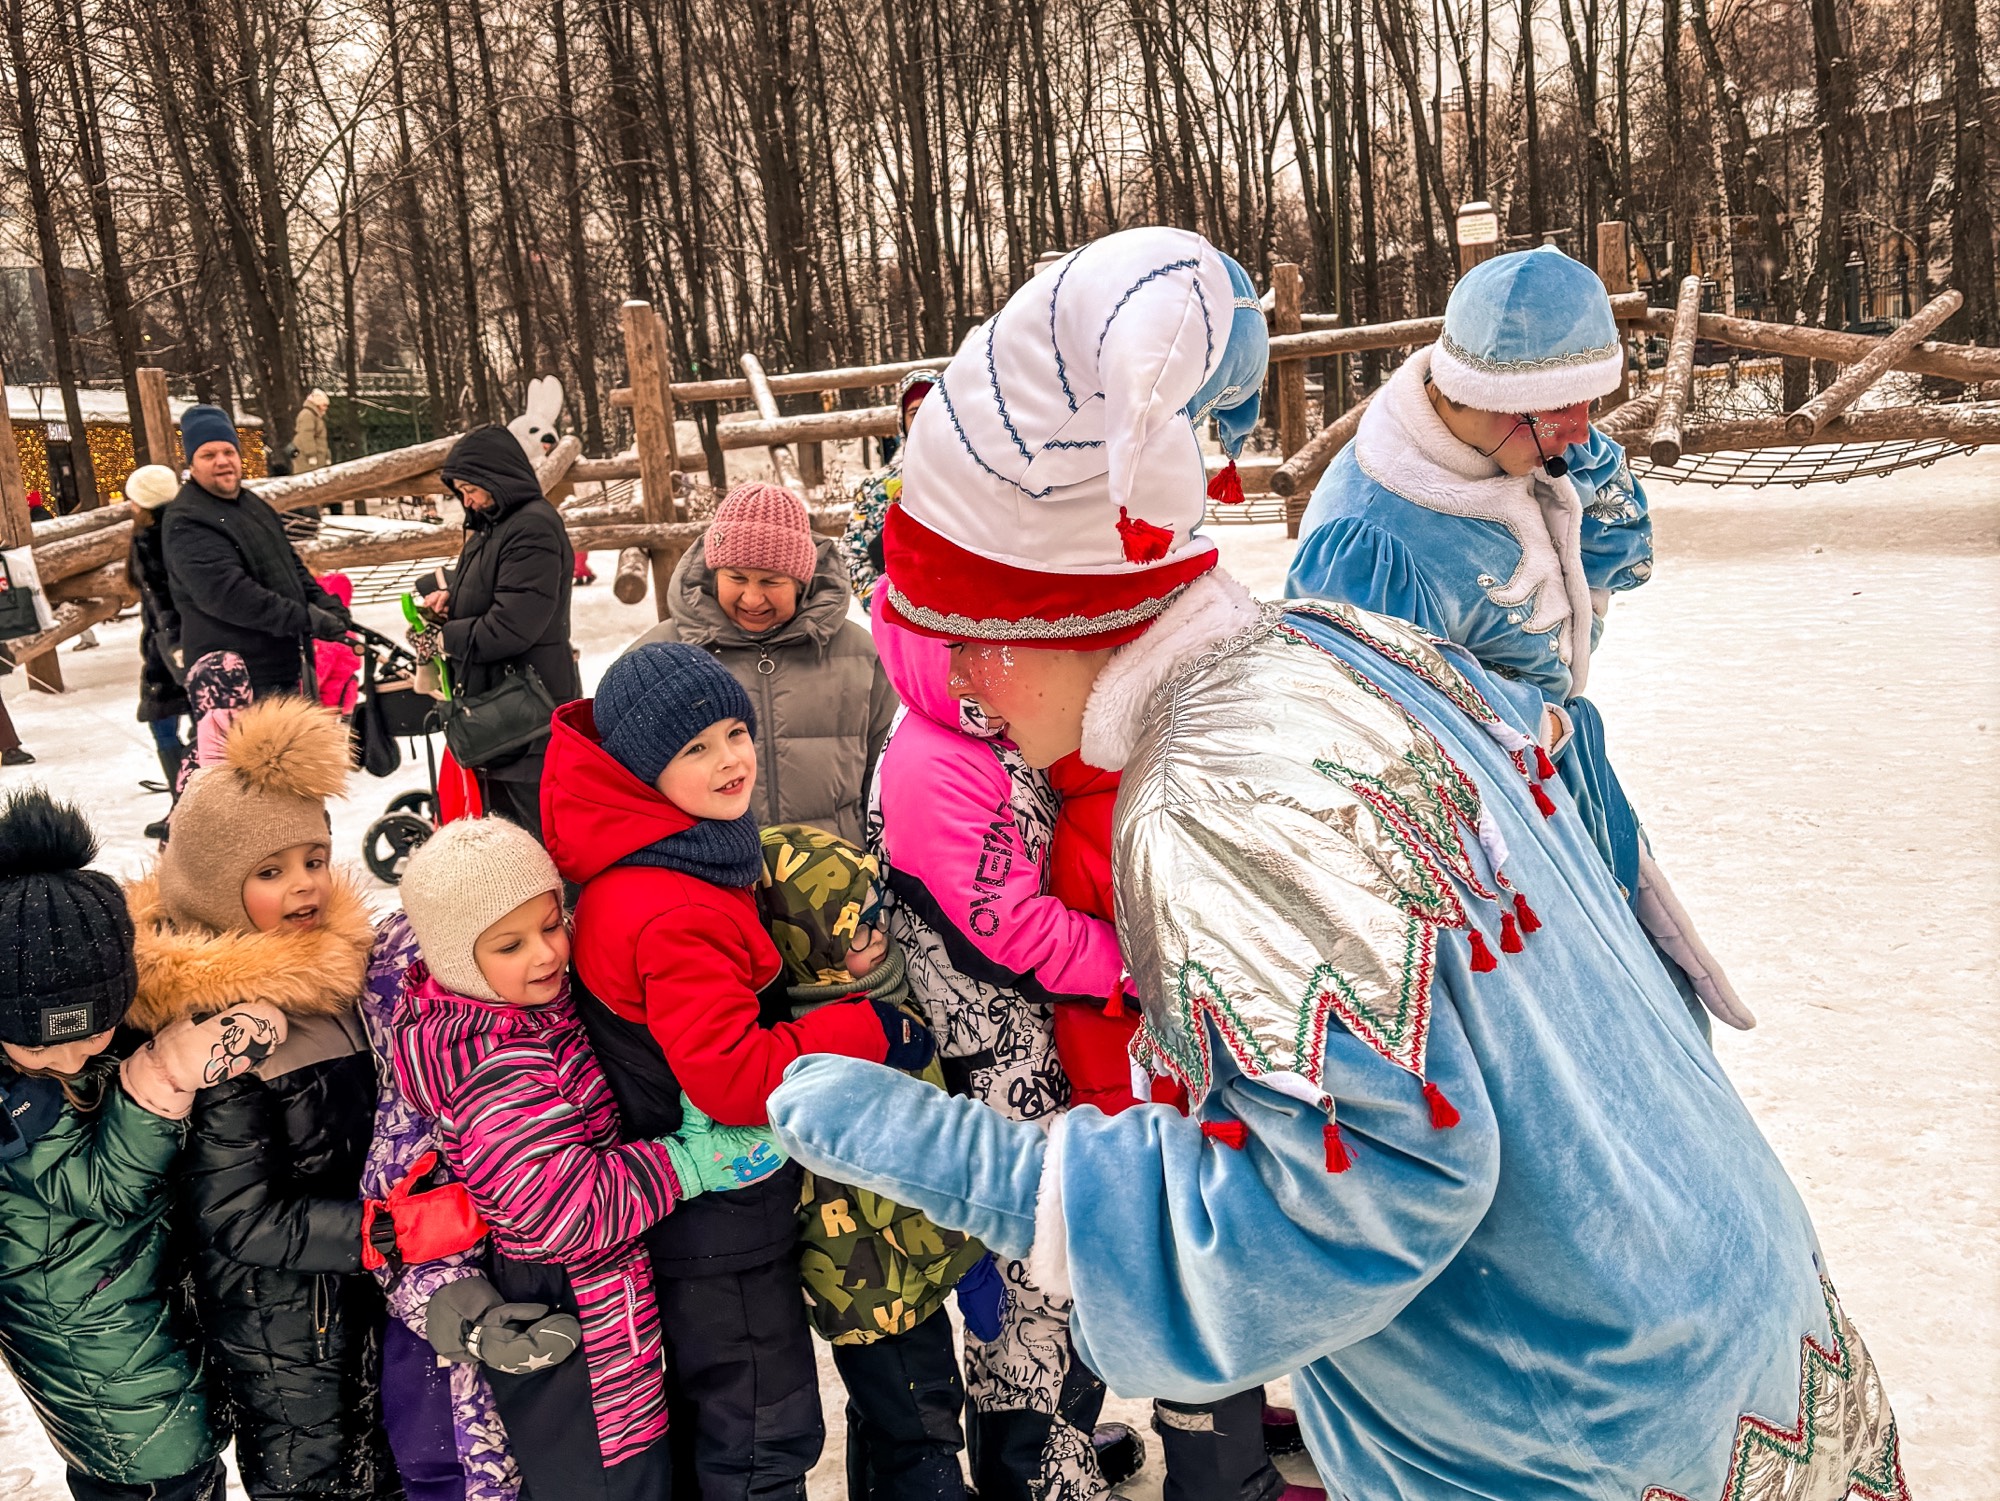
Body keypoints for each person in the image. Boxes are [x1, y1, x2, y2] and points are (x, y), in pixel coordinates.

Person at [763, 226, 1907, 1501]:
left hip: (1577, 1417)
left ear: (1048, 613)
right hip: (1724, 1304)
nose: (960, 685)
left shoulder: (1207, 796)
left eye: (961, 638)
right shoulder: (1339, 645)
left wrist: (992, 1172)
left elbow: (1358, 1197)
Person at [1283, 247, 1747, 1038]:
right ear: (1494, 397)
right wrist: (1536, 721)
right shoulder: (1373, 535)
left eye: (1590, 406)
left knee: (1653, 1013)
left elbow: (1608, 547)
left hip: (1556, 793)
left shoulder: (1535, 440)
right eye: (1563, 415)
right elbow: (1360, 734)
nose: (1581, 436)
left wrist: (1588, 571)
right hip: (1486, 853)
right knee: (1584, 1040)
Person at [540, 642, 935, 1501]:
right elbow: (733, 1077)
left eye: (735, 730)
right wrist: (864, 1027)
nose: (729, 758)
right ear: (644, 772)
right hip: (721, 1224)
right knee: (760, 1435)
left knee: (730, 1429)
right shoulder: (672, 905)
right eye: (694, 748)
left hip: (699, 1219)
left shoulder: (670, 856)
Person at [392, 816, 790, 1501]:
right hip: (571, 1325)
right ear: (460, 959)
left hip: (603, 1312)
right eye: (510, 944)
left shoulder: (525, 1013)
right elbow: (561, 1212)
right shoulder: (495, 1065)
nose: (545, 953)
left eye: (552, 924)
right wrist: (686, 1164)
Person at [865, 598, 1135, 1501]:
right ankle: (1028, 1473)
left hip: (1032, 1045)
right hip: (994, 1061)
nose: (978, 671)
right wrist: (1131, 965)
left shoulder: (981, 735)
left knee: (1059, 1265)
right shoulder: (939, 757)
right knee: (1028, 1276)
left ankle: (1063, 1440)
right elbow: (1000, 929)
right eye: (954, 655)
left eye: (987, 651)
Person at [126, 695, 401, 1499]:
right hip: (287, 1334)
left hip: (364, 1289)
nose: (306, 885)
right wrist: (384, 1232)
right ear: (215, 886)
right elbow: (235, 1214)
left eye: (314, 858)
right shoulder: (219, 1031)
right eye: (271, 872)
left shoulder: (343, 978)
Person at [0, 786, 287, 1501]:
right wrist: (163, 1073)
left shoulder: (53, 1045)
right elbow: (104, 1185)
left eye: (93, 1033)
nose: (69, 1060)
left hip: (140, 1351)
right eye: (38, 1045)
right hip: (110, 1387)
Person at [758, 822, 992, 1501]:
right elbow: (901, 1180)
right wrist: (968, 1259)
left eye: (873, 913)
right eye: (851, 932)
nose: (875, 935)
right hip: (884, 1285)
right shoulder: (857, 1042)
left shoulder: (828, 1017)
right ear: (811, 949)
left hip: (861, 1285)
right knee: (922, 1424)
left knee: (882, 1420)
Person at [356, 909, 524, 1501]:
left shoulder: (544, 1065)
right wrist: (465, 1316)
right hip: (448, 1364)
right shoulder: (413, 1120)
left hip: (520, 1348)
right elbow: (402, 1240)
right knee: (451, 1479)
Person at [627, 481, 897, 847]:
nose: (752, 598)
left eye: (772, 581)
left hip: (834, 885)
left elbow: (888, 781)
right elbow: (626, 790)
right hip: (706, 887)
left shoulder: (861, 657)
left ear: (801, 582)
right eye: (736, 577)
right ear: (713, 571)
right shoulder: (658, 659)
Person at [407, 426, 577, 840]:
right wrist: (452, 600)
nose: (467, 500)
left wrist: (445, 638)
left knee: (537, 842)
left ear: (497, 478)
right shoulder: (493, 527)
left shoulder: (531, 527)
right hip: (504, 715)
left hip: (528, 714)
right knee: (511, 836)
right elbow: (495, 594)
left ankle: (563, 907)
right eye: (460, 491)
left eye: (472, 489)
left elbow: (512, 626)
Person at [161, 404, 352, 700]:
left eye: (228, 452)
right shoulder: (187, 520)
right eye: (208, 455)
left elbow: (289, 566)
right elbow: (230, 596)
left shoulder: (254, 505)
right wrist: (304, 618)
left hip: (279, 666)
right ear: (192, 464)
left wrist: (324, 602)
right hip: (230, 680)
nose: (222, 461)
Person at [125, 462, 190, 826]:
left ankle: (185, 802)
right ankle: (187, 799)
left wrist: (174, 651)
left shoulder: (150, 540)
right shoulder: (185, 529)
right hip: (176, 646)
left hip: (169, 653)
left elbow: (163, 605)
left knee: (164, 724)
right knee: (197, 724)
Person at [839, 370, 936, 603]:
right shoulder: (876, 487)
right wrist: (880, 604)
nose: (924, 419)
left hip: (967, 624)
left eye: (933, 408)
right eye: (914, 412)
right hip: (897, 625)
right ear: (902, 421)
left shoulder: (977, 478)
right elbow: (853, 553)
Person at [295, 388, 333, 472]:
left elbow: (321, 440)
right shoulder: (307, 415)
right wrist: (311, 455)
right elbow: (306, 436)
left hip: (317, 458)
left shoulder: (316, 416)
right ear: (318, 404)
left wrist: (327, 456)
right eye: (324, 405)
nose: (326, 408)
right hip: (307, 459)